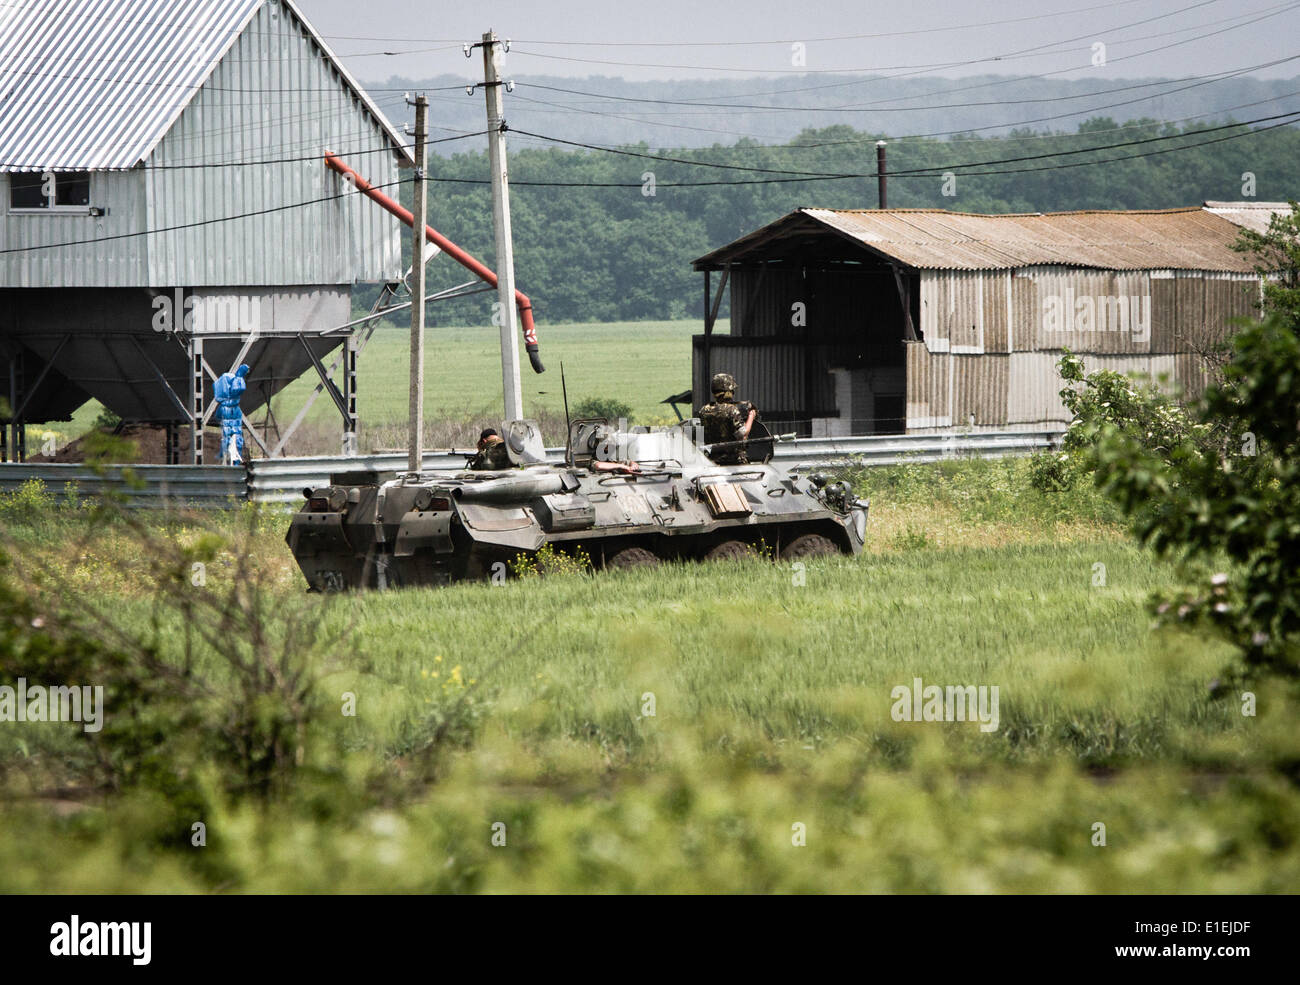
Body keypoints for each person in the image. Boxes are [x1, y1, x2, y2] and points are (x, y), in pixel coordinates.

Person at [700, 372, 757, 465]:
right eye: (732, 391)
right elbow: (743, 433)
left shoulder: (703, 410)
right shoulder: (731, 410)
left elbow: (699, 436)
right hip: (733, 461)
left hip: (711, 460)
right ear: (727, 392)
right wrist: (751, 416)